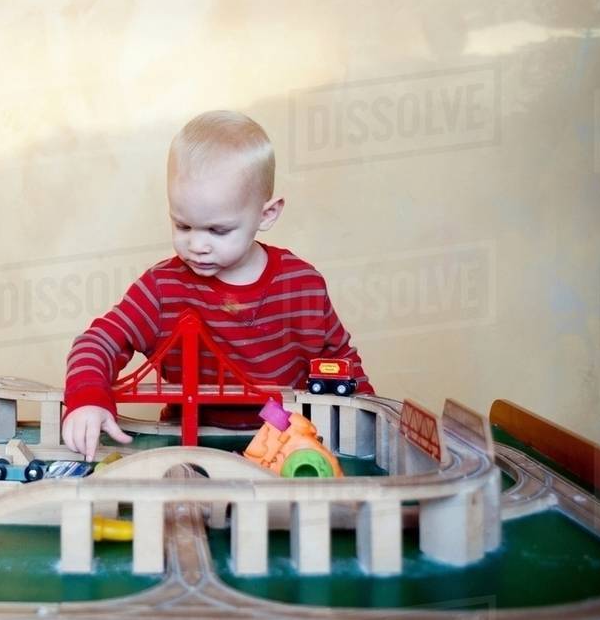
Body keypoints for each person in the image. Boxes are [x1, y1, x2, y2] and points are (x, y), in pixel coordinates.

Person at [62, 110, 373, 461]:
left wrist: (367, 432)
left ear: (266, 215)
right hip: (189, 444)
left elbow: (342, 366)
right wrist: (87, 397)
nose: (197, 245)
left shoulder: (302, 286)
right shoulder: (163, 288)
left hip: (284, 439)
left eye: (218, 231)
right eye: (182, 226)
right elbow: (99, 340)